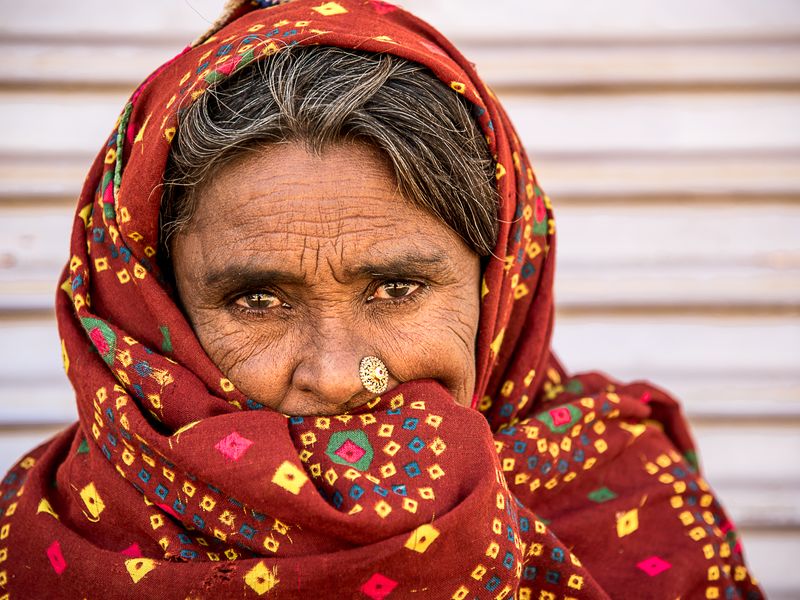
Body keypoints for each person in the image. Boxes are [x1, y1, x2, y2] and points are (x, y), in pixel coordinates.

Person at [0, 1, 763, 598]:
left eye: (398, 288)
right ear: (152, 310)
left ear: (501, 288)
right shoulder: (45, 541)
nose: (338, 378)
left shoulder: (631, 510)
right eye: (257, 299)